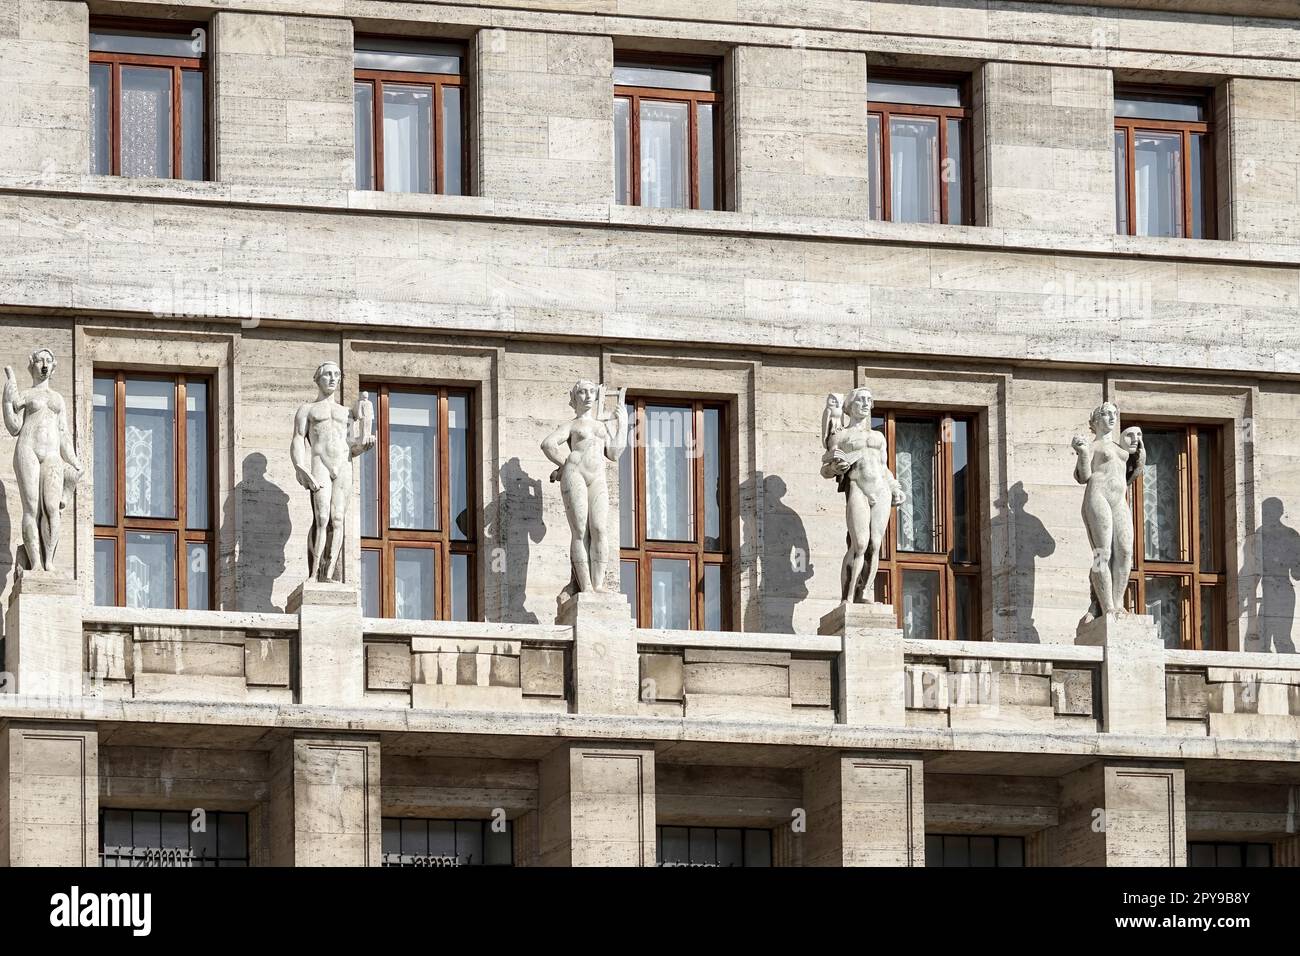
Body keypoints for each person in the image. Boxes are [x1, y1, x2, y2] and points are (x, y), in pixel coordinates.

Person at [541, 380, 628, 600]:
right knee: (580, 531)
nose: (588, 396)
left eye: (591, 391)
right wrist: (565, 465)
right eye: (582, 392)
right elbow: (548, 444)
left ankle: (598, 585)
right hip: (575, 474)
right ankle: (586, 586)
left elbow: (615, 454)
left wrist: (624, 423)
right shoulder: (573, 425)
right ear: (574, 398)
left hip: (597, 477)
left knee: (599, 529)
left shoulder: (601, 426)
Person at [290, 361, 375, 582]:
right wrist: (300, 467)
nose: (333, 378)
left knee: (338, 519)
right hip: (320, 464)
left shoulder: (347, 412)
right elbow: (298, 440)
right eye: (328, 374)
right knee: (322, 517)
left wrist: (363, 445)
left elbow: (350, 444)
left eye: (337, 375)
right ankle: (313, 573)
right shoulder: (307, 410)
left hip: (343, 465)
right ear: (317, 378)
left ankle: (327, 574)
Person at [3, 348, 83, 572]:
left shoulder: (57, 398)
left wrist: (74, 461)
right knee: (32, 508)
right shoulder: (26, 395)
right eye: (40, 361)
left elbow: (64, 433)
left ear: (54, 366)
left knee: (51, 507)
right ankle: (36, 562)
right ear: (32, 365)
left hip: (52, 454)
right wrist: (7, 401)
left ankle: (49, 561)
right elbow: (14, 426)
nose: (44, 365)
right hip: (27, 449)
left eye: (48, 361)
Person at [821, 388, 905, 603]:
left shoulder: (878, 436)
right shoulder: (841, 434)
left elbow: (884, 467)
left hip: (881, 489)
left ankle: (866, 591)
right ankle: (847, 596)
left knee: (876, 544)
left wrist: (895, 487)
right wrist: (836, 468)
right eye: (860, 400)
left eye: (869, 400)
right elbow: (826, 469)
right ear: (849, 406)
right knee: (859, 544)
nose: (866, 404)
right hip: (858, 487)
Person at [1072, 401, 1144, 624]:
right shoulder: (1093, 446)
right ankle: (1108, 607)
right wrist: (1082, 452)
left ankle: (1117, 602)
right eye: (1106, 414)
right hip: (1098, 497)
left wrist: (1139, 447)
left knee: (1124, 550)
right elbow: (1083, 476)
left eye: (1114, 414)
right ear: (1096, 420)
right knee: (1102, 552)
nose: (1112, 418)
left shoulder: (1121, 446)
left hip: (1119, 500)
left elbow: (1133, 473)